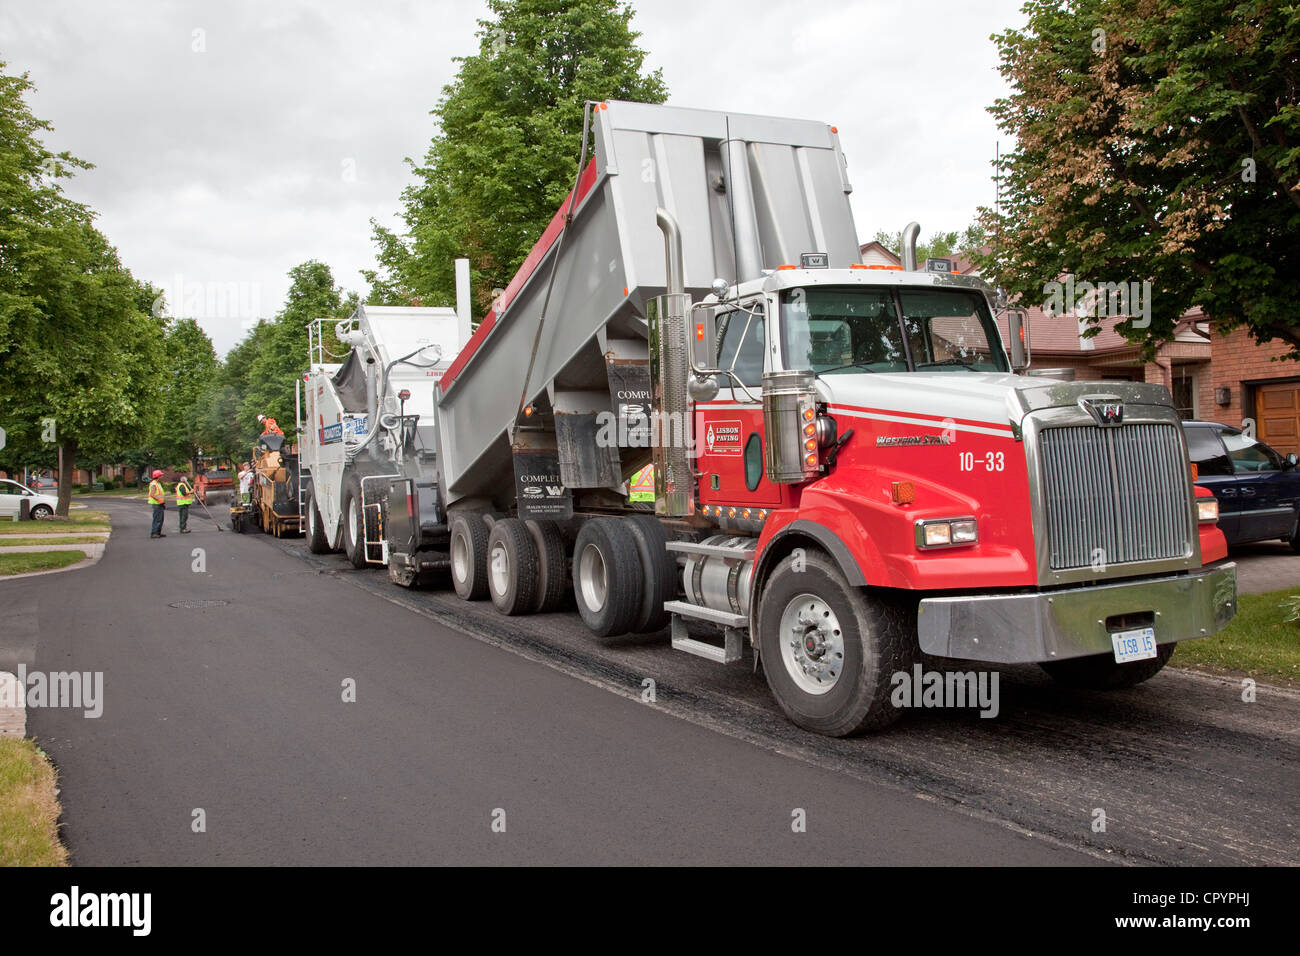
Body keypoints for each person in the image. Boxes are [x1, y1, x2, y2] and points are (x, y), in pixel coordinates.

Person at [148, 470, 167, 538]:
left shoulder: (158, 483)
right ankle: (154, 533)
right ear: (158, 476)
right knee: (157, 519)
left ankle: (158, 532)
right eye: (161, 475)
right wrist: (159, 500)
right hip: (157, 504)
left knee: (160, 519)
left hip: (160, 504)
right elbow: (152, 494)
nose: (162, 476)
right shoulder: (153, 484)